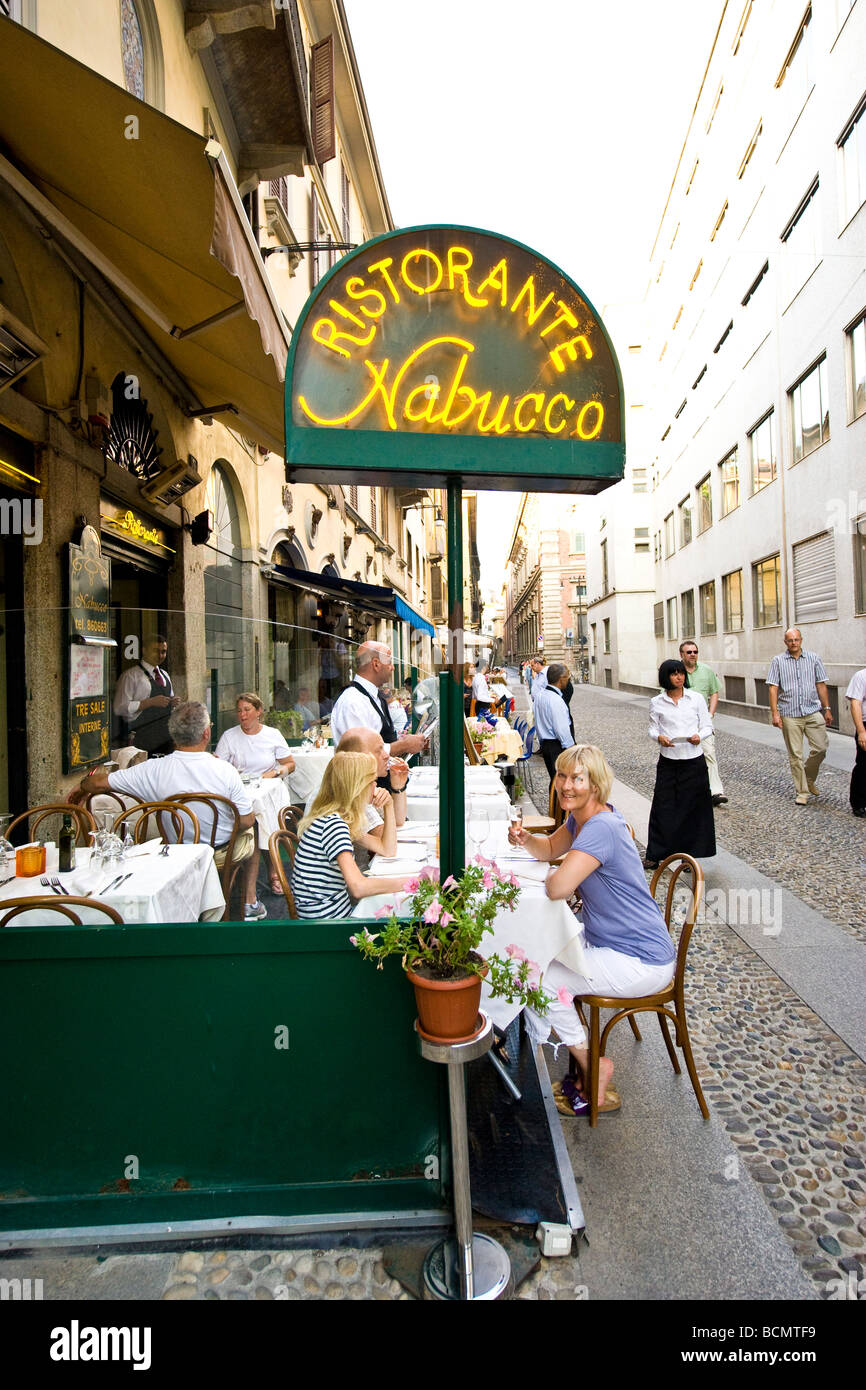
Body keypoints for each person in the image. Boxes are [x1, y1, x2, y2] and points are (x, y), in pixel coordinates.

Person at [507, 745, 676, 1111]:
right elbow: (550, 848)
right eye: (562, 776)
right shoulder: (582, 819)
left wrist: (557, 873)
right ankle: (580, 1056)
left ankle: (591, 1066)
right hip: (615, 943)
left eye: (576, 779)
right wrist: (526, 840)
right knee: (537, 956)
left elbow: (558, 888)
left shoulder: (601, 827)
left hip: (640, 959)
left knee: (542, 977)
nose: (566, 785)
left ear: (595, 786)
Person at [72, 701, 266, 919]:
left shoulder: (153, 770)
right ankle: (250, 901)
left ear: (173, 737)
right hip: (220, 852)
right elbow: (246, 821)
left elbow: (96, 784)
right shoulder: (225, 771)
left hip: (176, 850)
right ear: (206, 733)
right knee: (255, 827)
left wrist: (83, 784)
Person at [291, 751, 412, 918]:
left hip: (321, 917)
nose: (375, 787)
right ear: (358, 787)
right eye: (373, 782)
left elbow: (387, 849)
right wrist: (408, 883)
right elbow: (358, 887)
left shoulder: (331, 816)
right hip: (327, 926)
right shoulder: (334, 825)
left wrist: (389, 805)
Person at [644, 658, 716, 871]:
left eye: (681, 673)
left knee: (692, 809)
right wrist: (659, 738)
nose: (679, 677)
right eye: (674, 674)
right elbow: (652, 728)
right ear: (666, 677)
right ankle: (654, 854)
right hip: (669, 761)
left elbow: (707, 726)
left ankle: (688, 855)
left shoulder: (696, 699)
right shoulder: (657, 702)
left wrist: (698, 736)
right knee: (662, 807)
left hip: (694, 761)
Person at [305, 728, 409, 865]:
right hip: (347, 881)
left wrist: (398, 787)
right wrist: (389, 805)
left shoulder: (345, 783)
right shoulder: (347, 793)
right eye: (378, 751)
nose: (386, 756)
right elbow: (386, 843)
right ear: (358, 757)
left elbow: (398, 821)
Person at [328, 642, 428, 770]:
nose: (392, 667)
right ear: (376, 664)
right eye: (389, 662)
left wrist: (408, 742)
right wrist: (403, 745)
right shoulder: (353, 701)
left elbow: (380, 739)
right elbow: (361, 752)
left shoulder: (374, 696)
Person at [767, 629, 834, 806]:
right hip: (789, 713)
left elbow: (821, 684)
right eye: (790, 640)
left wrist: (827, 708)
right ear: (785, 642)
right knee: (795, 755)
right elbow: (773, 688)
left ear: (801, 640)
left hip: (812, 711)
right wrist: (775, 713)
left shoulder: (814, 658)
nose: (794, 643)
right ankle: (802, 791)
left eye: (796, 639)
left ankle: (809, 777)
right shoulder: (778, 661)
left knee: (820, 748)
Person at [113, 634, 180, 755]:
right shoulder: (130, 676)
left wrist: (172, 702)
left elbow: (169, 703)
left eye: (163, 652)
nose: (160, 655)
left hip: (166, 740)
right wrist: (149, 702)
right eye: (155, 651)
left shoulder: (165, 675)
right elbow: (119, 708)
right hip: (141, 741)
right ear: (144, 650)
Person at [680, 640, 727, 806]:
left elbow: (714, 692)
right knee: (684, 757)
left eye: (695, 651)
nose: (693, 654)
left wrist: (710, 714)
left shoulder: (706, 670)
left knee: (709, 753)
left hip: (703, 722)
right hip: (682, 722)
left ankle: (716, 792)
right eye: (689, 652)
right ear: (682, 654)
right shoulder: (676, 672)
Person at [215, 694, 296, 779]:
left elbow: (291, 765)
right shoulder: (228, 736)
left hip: (268, 786)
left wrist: (275, 772)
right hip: (240, 787)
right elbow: (217, 768)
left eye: (247, 710)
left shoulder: (273, 734)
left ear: (258, 711)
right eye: (239, 711)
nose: (242, 714)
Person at [533, 662, 575, 784]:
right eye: (567, 677)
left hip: (546, 744)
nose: (568, 681)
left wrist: (542, 742)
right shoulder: (556, 700)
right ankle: (557, 803)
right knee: (562, 783)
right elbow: (561, 729)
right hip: (557, 746)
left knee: (555, 781)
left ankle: (553, 803)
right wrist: (571, 750)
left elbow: (538, 722)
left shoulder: (540, 696)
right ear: (561, 679)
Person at [845, 667, 866, 818]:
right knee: (864, 765)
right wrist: (861, 731)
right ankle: (858, 803)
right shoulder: (861, 676)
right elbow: (855, 704)